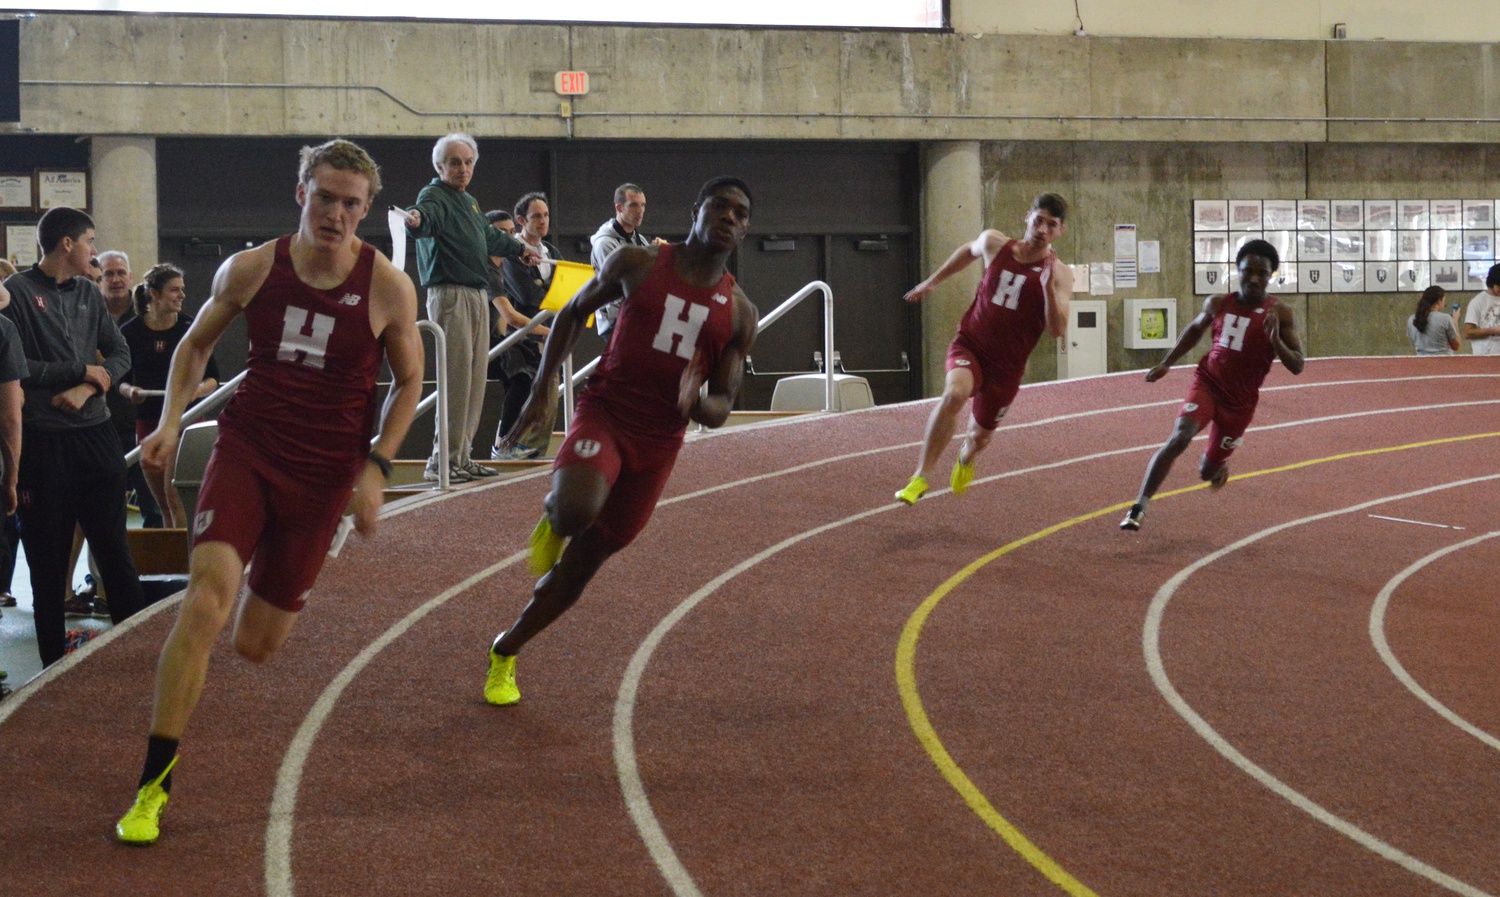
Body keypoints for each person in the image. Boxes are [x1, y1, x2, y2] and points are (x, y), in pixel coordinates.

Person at [115, 139, 424, 845]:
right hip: (248, 450)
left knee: (255, 643)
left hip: (323, 477)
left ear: (367, 209)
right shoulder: (252, 268)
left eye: (351, 203)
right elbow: (194, 345)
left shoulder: (386, 287)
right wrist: (168, 422)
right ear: (300, 194)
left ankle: (269, 569)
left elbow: (410, 381)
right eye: (325, 197)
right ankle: (152, 787)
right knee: (205, 600)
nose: (337, 214)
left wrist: (377, 467)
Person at [482, 176, 758, 706]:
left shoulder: (739, 313)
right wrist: (543, 391)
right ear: (695, 211)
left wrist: (697, 402)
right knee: (575, 512)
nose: (728, 217)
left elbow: (724, 404)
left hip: (658, 446)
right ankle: (556, 510)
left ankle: (506, 649)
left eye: (740, 214)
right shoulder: (639, 264)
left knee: (579, 570)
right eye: (719, 207)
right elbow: (571, 311)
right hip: (606, 413)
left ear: (745, 229)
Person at [1, 207, 146, 667]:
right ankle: (50, 673)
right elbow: (20, 370)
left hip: (96, 439)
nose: (94, 251)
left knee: (116, 559)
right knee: (46, 569)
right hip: (43, 448)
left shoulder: (88, 291)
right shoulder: (16, 294)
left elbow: (120, 351)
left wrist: (89, 385)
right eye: (90, 241)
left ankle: (135, 662)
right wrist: (79, 369)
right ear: (67, 244)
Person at [894, 193, 1074, 505]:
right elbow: (968, 250)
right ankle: (920, 477)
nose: (1043, 228)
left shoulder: (1060, 273)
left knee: (980, 436)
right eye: (1039, 219)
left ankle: (966, 457)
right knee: (954, 394)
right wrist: (933, 281)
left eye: (1051, 225)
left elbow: (1058, 330)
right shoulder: (995, 243)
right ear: (1027, 217)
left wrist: (1047, 289)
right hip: (971, 344)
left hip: (1007, 367)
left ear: (1060, 231)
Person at [1120, 238, 1305, 532]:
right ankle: (1138, 507)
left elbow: (1297, 364)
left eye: (1262, 273)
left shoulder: (1280, 313)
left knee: (1207, 472)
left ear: (1272, 276)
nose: (1254, 278)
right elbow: (1194, 331)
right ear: (1238, 270)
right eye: (1248, 271)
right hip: (1208, 383)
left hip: (1240, 403)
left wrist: (1275, 341)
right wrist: (1166, 362)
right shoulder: (1219, 303)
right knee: (1180, 437)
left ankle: (1218, 464)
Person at [401, 133, 538, 484]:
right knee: (457, 379)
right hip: (451, 293)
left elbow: (489, 237)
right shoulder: (434, 196)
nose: (463, 169)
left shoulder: (470, 203)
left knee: (475, 379)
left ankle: (460, 457)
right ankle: (441, 461)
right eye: (455, 163)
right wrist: (415, 219)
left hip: (476, 293)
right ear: (440, 166)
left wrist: (518, 249)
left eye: (468, 162)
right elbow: (423, 217)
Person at [118, 264, 221, 527]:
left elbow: (213, 378)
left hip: (185, 420)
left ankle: (188, 563)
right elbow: (121, 379)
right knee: (162, 504)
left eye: (182, 290)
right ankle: (175, 563)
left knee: (176, 496)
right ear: (154, 294)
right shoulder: (131, 331)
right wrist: (131, 392)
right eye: (174, 290)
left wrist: (196, 390)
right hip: (149, 420)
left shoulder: (190, 327)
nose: (181, 295)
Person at [491, 191, 558, 461]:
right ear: (523, 220)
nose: (543, 221)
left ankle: (510, 446)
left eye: (546, 215)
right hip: (513, 337)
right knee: (520, 380)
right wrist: (549, 316)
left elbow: (565, 292)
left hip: (540, 333)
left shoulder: (552, 252)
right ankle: (503, 446)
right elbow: (526, 299)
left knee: (538, 389)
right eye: (536, 216)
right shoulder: (503, 261)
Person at [589, 182, 651, 336]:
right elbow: (620, 284)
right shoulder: (604, 243)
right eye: (634, 205)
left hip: (635, 314)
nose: (640, 211)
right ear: (619, 207)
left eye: (643, 205)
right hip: (615, 320)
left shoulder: (640, 239)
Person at [1407, 285, 1460, 355]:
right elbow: (1456, 346)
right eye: (1444, 301)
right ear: (1439, 301)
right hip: (1444, 361)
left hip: (1421, 360)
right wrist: (1455, 321)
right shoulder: (1445, 318)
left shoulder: (1411, 319)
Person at [1463, 263, 1500, 355]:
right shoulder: (1478, 302)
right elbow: (1468, 333)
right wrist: (1493, 330)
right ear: (1493, 283)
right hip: (1484, 355)